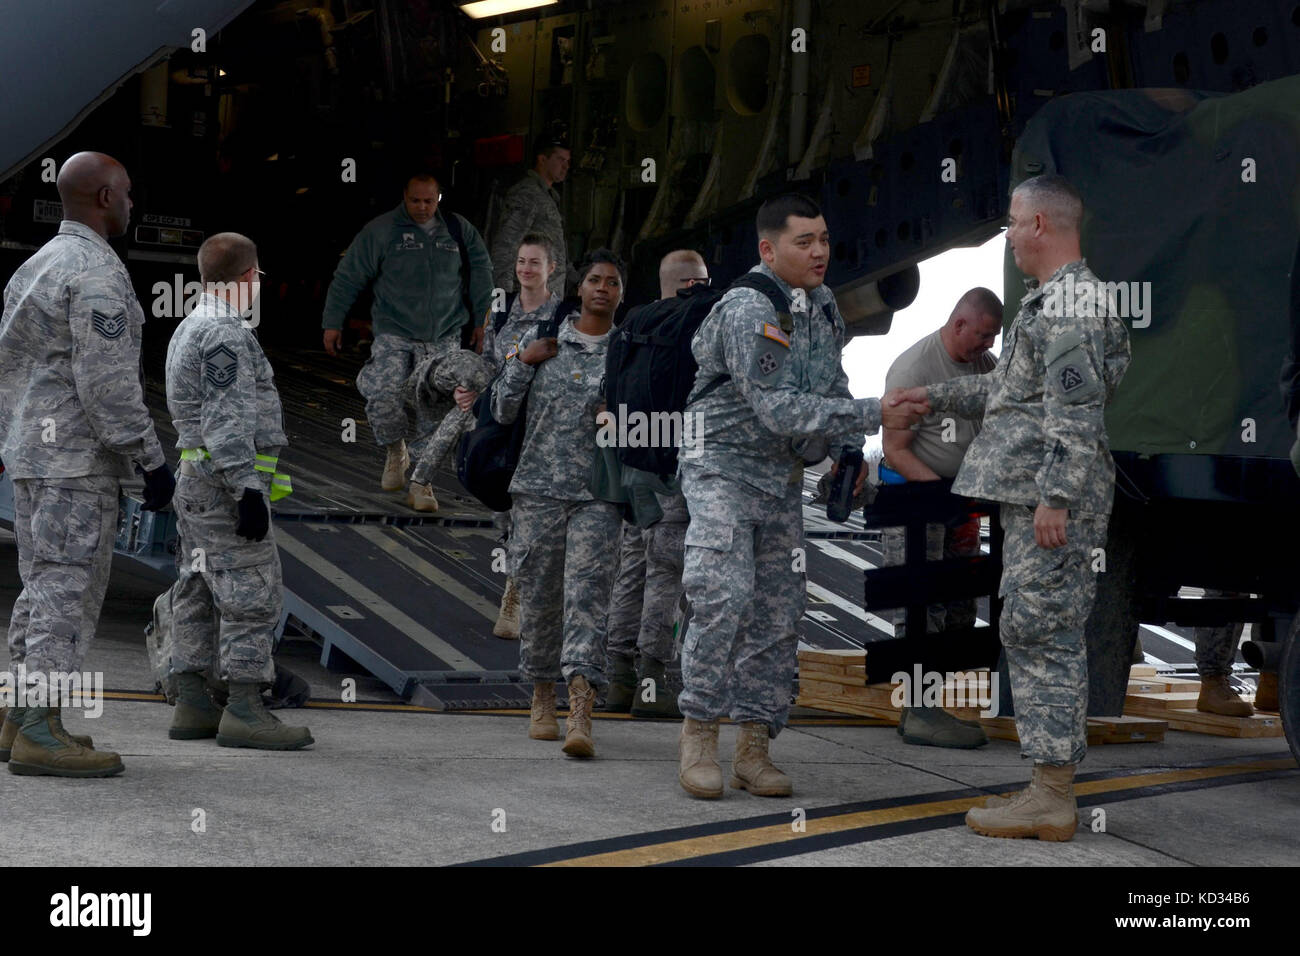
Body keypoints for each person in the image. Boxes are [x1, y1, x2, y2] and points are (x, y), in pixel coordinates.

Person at [896, 174, 1131, 841]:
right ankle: (1044, 784)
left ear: (1038, 226)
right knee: (1034, 633)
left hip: (1048, 503)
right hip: (1034, 497)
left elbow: (1074, 410)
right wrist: (933, 398)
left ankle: (1051, 796)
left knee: (1043, 637)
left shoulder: (1070, 305)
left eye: (1011, 220)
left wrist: (1056, 497)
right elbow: (1013, 390)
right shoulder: (1057, 301)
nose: (1006, 232)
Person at [676, 194, 927, 800]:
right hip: (722, 470)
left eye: (823, 240)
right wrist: (875, 412)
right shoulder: (747, 309)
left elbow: (830, 382)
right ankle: (700, 736)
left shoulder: (821, 306)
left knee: (778, 612)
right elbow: (778, 407)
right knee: (722, 595)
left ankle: (755, 748)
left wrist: (846, 448)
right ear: (768, 249)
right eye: (803, 242)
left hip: (780, 479)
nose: (819, 252)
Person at [0, 151, 175, 777]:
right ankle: (42, 730)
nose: (132, 202)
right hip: (74, 462)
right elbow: (107, 385)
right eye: (126, 193)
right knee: (65, 594)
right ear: (104, 198)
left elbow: (11, 367)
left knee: (41, 585)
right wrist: (150, 461)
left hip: (33, 455)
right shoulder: (95, 273)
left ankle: (18, 715)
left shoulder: (35, 266)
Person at [162, 232, 313, 750]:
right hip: (225, 486)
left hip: (196, 481)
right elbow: (226, 421)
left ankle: (192, 703)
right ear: (248, 278)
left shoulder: (189, 326)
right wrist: (248, 488)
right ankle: (246, 709)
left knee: (198, 590)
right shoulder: (226, 334)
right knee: (251, 595)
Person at [491, 249, 626, 758]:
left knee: (589, 598)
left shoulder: (628, 351)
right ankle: (542, 697)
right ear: (579, 286)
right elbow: (501, 410)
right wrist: (523, 365)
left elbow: (645, 428)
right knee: (543, 598)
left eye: (612, 283)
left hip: (598, 495)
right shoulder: (541, 340)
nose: (602, 288)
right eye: (594, 279)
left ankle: (581, 708)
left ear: (620, 294)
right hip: (538, 492)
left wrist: (621, 417)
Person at [321, 173, 493, 501]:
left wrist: (483, 321)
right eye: (415, 200)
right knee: (383, 397)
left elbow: (482, 272)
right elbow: (348, 276)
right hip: (394, 333)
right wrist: (333, 322)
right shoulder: (382, 231)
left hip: (443, 336)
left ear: (439, 198)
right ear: (404, 196)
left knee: (435, 411)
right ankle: (394, 449)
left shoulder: (457, 230)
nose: (422, 207)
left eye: (429, 201)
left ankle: (421, 482)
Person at [880, 288, 1001, 749]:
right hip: (917, 501)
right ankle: (918, 711)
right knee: (920, 608)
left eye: (993, 337)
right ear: (959, 325)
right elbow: (895, 450)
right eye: (983, 335)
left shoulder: (984, 368)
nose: (987, 346)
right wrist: (945, 502)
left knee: (959, 609)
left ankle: (933, 704)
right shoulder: (913, 369)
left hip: (959, 504)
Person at [604, 250, 711, 717]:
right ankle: (653, 679)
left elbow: (609, 394)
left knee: (632, 567)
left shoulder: (631, 322)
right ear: (696, 283)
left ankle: (617, 679)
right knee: (666, 569)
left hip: (634, 461)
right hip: (675, 463)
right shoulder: (699, 320)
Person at [477, 233, 563, 639]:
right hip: (501, 423)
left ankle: (514, 596)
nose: (526, 269)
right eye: (521, 262)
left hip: (542, 428)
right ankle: (516, 591)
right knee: (504, 513)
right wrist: (470, 390)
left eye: (535, 263)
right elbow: (487, 361)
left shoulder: (562, 315)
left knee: (533, 520)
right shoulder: (499, 309)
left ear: (552, 268)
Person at [490, 138, 571, 298]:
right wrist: (501, 300)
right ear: (542, 159)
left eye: (568, 161)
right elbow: (506, 247)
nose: (566, 166)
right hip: (526, 299)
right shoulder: (527, 193)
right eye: (561, 160)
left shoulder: (549, 196)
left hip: (547, 297)